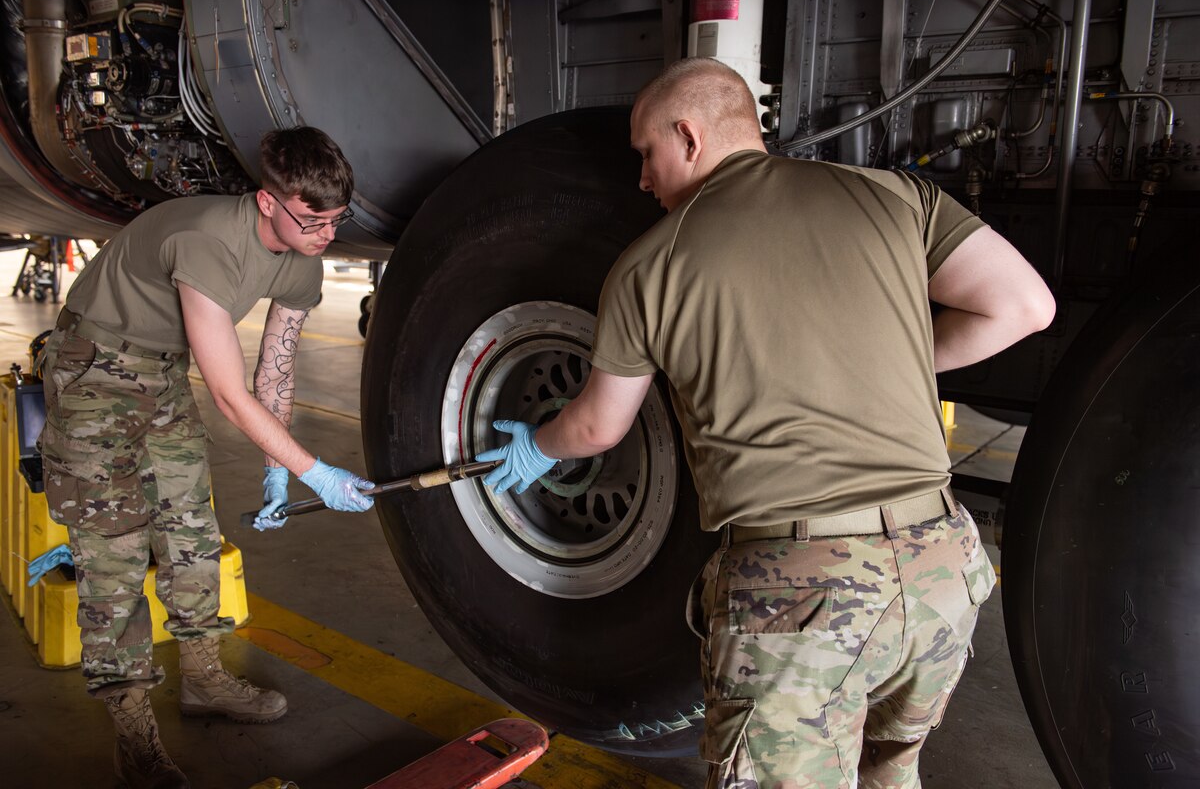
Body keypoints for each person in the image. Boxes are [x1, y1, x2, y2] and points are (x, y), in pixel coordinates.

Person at [477, 59, 1056, 789]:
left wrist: (536, 446)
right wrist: (888, 363)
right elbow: (1025, 307)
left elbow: (597, 428)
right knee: (890, 774)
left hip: (805, 596)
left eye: (647, 154)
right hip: (942, 571)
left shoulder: (650, 266)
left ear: (689, 136)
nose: (643, 180)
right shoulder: (893, 195)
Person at [36, 126, 376, 789]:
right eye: (312, 220)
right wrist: (315, 471)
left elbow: (274, 370)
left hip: (162, 371)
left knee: (192, 532)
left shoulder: (303, 257)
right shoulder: (207, 240)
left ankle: (204, 679)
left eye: (337, 219)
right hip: (92, 367)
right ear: (268, 202)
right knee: (113, 553)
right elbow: (226, 393)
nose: (326, 235)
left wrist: (277, 470)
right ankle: (133, 733)